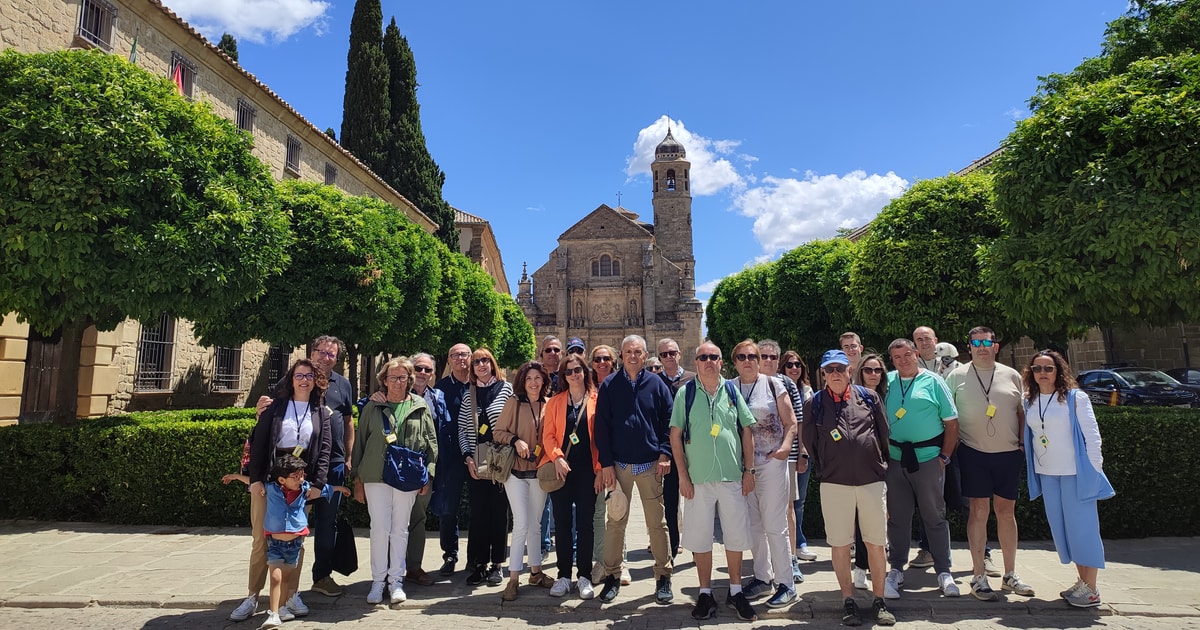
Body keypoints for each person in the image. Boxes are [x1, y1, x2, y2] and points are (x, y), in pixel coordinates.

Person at [247, 336, 354, 605]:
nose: (326, 357)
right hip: (284, 476)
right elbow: (264, 435)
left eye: (332, 354)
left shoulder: (340, 387)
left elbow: (346, 423)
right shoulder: (285, 390)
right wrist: (255, 478)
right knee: (273, 535)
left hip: (322, 470)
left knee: (314, 529)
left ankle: (310, 583)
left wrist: (349, 457)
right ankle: (260, 593)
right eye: (321, 352)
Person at [235, 359, 332, 623]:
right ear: (291, 380)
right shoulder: (274, 407)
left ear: (316, 381)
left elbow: (324, 451)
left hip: (300, 486)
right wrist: (254, 480)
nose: (304, 380)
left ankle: (290, 596)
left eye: (309, 376)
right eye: (299, 375)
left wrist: (317, 485)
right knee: (260, 540)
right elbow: (259, 444)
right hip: (269, 482)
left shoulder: (321, 412)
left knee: (296, 541)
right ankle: (252, 596)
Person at [803, 350, 895, 627]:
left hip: (871, 480)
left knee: (876, 544)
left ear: (849, 371)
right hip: (835, 483)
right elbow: (810, 441)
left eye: (840, 369)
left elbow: (883, 433)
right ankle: (849, 601)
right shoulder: (815, 404)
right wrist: (827, 468)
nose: (835, 374)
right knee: (840, 544)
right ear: (822, 373)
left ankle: (879, 601)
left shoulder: (869, 397)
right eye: (829, 369)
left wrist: (880, 466)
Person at [669, 341, 759, 622]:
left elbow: (746, 430)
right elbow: (675, 435)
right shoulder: (686, 392)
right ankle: (705, 592)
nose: (709, 361)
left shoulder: (731, 390)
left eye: (714, 357)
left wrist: (749, 471)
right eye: (703, 357)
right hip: (698, 480)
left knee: (735, 534)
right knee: (700, 537)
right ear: (695, 362)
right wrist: (682, 476)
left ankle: (735, 590)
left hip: (732, 477)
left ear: (722, 362)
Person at [944, 327, 1034, 601]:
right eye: (976, 343)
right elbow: (947, 416)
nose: (982, 347)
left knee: (1006, 512)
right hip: (973, 453)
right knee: (978, 512)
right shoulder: (955, 376)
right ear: (968, 347)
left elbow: (1021, 412)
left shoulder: (1012, 375)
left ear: (995, 346)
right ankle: (978, 576)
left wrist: (1021, 444)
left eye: (987, 342)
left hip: (1008, 453)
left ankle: (1010, 575)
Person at [1023, 350, 1112, 608]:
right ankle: (1082, 583)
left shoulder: (1075, 398)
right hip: (1048, 474)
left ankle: (1092, 589)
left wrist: (1094, 471)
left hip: (1076, 473)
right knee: (1064, 531)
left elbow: (1092, 437)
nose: (1043, 373)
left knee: (1083, 530)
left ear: (1059, 371)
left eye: (1048, 368)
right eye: (1037, 368)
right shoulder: (1030, 400)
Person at [593, 334, 675, 604]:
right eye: (628, 351)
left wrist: (665, 452)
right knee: (615, 523)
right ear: (621, 354)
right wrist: (606, 464)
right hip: (619, 466)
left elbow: (669, 421)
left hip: (650, 464)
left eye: (638, 351)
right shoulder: (609, 385)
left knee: (657, 523)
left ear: (644, 354)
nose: (632, 356)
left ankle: (663, 576)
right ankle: (613, 576)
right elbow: (601, 427)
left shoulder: (657, 384)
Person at [352, 357, 437, 605]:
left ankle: (396, 581)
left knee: (400, 530)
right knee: (379, 529)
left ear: (409, 380)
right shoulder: (372, 407)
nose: (398, 382)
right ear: (384, 380)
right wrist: (357, 477)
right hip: (376, 475)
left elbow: (431, 442)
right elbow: (360, 443)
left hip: (407, 477)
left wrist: (427, 474)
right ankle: (378, 583)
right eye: (393, 377)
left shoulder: (420, 406)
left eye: (402, 377)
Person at [882, 338, 960, 600]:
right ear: (892, 360)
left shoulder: (934, 381)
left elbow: (951, 422)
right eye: (897, 357)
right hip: (895, 459)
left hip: (928, 459)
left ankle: (943, 571)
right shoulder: (888, 381)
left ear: (916, 354)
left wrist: (945, 457)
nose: (903, 360)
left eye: (907, 355)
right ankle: (895, 569)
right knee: (897, 518)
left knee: (934, 516)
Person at [731, 340, 799, 609]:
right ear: (734, 361)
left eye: (752, 356)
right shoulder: (730, 388)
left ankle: (786, 583)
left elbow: (790, 422)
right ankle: (762, 577)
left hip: (770, 463)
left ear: (759, 360)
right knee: (754, 524)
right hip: (742, 467)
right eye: (741, 356)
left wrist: (784, 449)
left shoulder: (773, 385)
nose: (747, 360)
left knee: (774, 524)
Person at [258, 455, 350, 630]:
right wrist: (235, 476)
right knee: (276, 577)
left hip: (294, 545)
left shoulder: (305, 489)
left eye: (302, 475)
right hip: (275, 544)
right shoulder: (272, 490)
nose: (300, 479)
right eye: (296, 476)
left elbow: (326, 489)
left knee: (285, 579)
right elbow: (254, 483)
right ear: (281, 479)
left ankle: (283, 607)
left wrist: (340, 488)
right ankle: (274, 613)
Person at [494, 361, 556, 600]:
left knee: (536, 524)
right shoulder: (514, 403)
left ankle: (536, 571)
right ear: (523, 381)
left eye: (538, 378)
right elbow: (498, 431)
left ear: (544, 381)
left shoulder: (550, 405)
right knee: (520, 523)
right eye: (529, 378)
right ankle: (513, 578)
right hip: (516, 472)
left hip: (539, 472)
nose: (533, 383)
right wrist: (515, 441)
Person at [542, 353, 602, 599]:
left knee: (586, 526)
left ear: (584, 372)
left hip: (588, 470)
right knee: (563, 525)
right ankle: (564, 575)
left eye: (577, 370)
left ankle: (584, 576)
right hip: (561, 470)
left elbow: (603, 439)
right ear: (563, 376)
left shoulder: (597, 400)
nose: (573, 375)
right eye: (568, 372)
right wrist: (556, 457)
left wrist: (600, 470)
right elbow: (548, 435)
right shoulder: (556, 402)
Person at [456, 348, 513, 587]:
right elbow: (462, 428)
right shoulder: (469, 393)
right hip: (477, 459)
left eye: (485, 360)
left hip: (500, 459)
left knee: (499, 514)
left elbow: (512, 423)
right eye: (476, 361)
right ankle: (478, 563)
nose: (481, 365)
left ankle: (497, 564)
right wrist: (467, 456)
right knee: (478, 514)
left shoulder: (506, 389)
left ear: (492, 364)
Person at [760, 340, 811, 584]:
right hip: (756, 459)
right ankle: (767, 562)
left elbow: (799, 422)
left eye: (772, 357)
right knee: (760, 512)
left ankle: (791, 559)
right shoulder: (748, 383)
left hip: (785, 457)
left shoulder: (787, 383)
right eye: (764, 356)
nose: (768, 360)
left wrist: (801, 453)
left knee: (788, 508)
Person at [402, 353, 450, 587]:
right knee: (393, 521)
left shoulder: (437, 398)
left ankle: (413, 567)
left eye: (427, 370)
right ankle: (388, 571)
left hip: (425, 470)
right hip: (397, 468)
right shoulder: (396, 395)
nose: (422, 373)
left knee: (418, 518)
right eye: (418, 368)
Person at [850, 353, 889, 590]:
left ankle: (887, 571)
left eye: (877, 370)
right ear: (860, 372)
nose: (873, 374)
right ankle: (860, 568)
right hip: (865, 467)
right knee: (863, 520)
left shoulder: (889, 395)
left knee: (887, 518)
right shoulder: (854, 396)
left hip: (891, 461)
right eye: (868, 370)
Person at [433, 344, 472, 576]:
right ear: (449, 359)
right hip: (451, 456)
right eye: (455, 355)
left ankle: (477, 558)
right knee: (449, 509)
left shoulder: (479, 386)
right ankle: (450, 554)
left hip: (476, 455)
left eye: (465, 354)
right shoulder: (441, 388)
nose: (460, 359)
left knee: (479, 509)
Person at [656, 337, 696, 562]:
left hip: (693, 449)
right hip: (669, 450)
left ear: (679, 353)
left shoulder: (693, 379)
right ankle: (672, 547)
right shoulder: (655, 381)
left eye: (672, 353)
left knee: (697, 501)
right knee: (670, 502)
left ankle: (697, 547)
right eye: (664, 354)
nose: (669, 357)